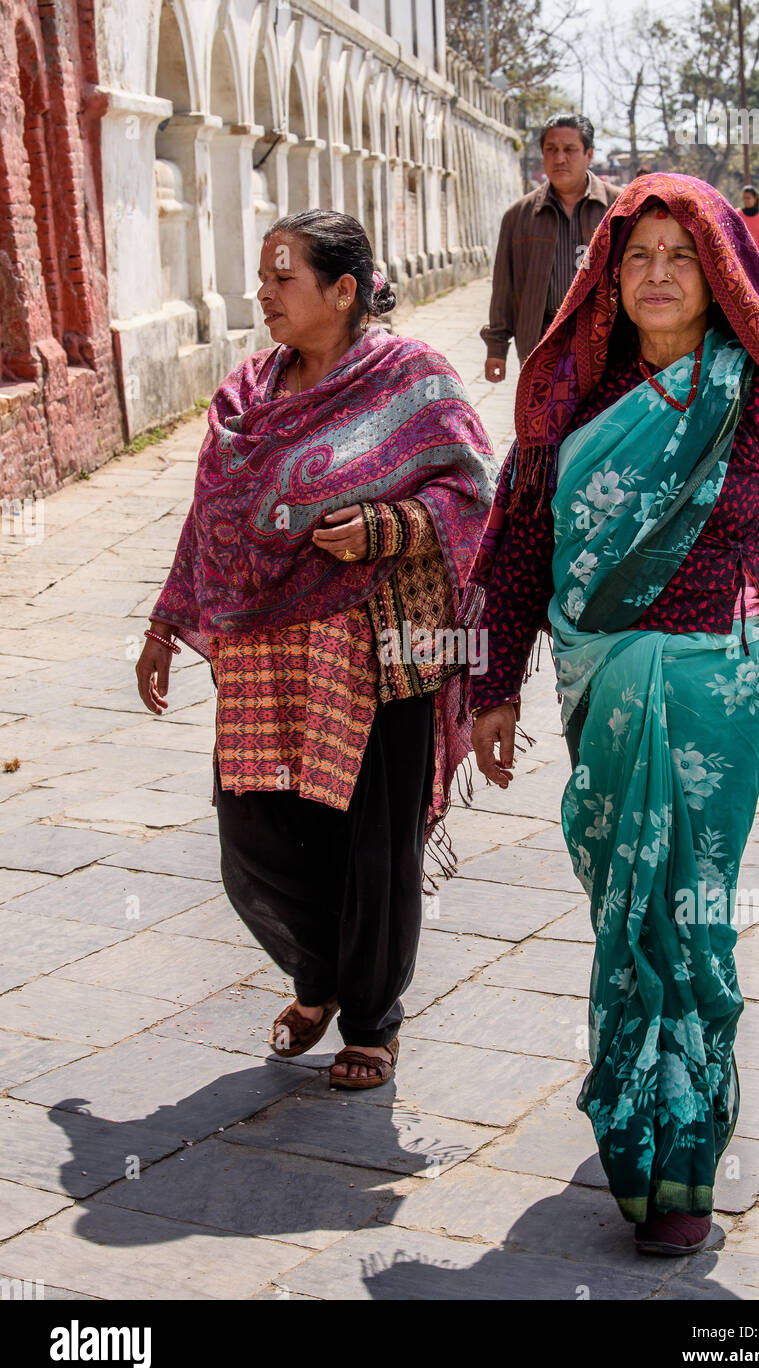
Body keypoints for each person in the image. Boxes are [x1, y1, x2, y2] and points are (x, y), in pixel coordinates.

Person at [465, 173, 759, 1255]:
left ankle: (684, 1162)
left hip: (716, 693)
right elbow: (517, 540)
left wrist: (754, 643)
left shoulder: (754, 393)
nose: (661, 274)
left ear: (722, 275)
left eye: (683, 255)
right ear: (610, 279)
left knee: (690, 910)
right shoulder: (575, 397)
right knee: (625, 903)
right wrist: (490, 685)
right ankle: (636, 1115)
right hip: (604, 692)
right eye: (639, 256)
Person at [136, 211, 495, 1091]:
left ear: (344, 291)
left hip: (383, 651)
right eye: (262, 277)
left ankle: (370, 1019)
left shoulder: (412, 380)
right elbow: (211, 517)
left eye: (281, 278)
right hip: (266, 658)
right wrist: (163, 624)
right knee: (254, 839)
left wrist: (387, 524)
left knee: (375, 847)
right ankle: (319, 977)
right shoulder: (247, 394)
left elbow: (473, 494)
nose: (263, 294)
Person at [481, 114, 621, 383]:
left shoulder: (619, 209)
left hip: (605, 345)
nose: (559, 159)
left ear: (588, 154)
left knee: (602, 424)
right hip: (541, 344)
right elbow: (504, 289)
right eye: (551, 150)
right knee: (541, 423)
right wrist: (496, 348)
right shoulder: (518, 216)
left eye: (570, 150)